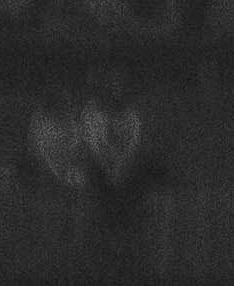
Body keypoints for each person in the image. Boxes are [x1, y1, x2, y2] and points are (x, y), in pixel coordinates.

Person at [28, 71, 163, 241]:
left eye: (118, 87)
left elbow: (124, 149)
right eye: (110, 86)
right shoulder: (80, 115)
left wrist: (115, 168)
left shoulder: (129, 117)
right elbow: (84, 147)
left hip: (107, 175)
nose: (114, 91)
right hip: (80, 176)